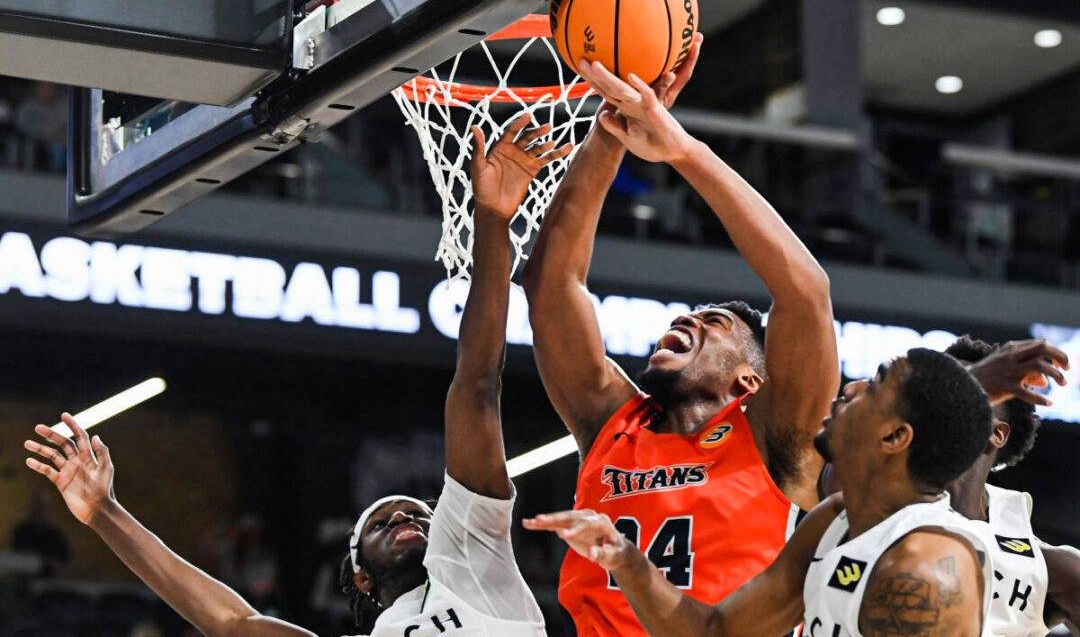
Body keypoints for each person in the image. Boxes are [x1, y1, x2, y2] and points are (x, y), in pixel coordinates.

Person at [23, 115, 572, 637]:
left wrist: (493, 221)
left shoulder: (474, 558)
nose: (407, 518)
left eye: (418, 515)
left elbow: (477, 385)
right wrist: (103, 512)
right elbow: (231, 622)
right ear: (360, 575)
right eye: (384, 524)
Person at [521, 39, 839, 633]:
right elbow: (551, 287)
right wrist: (610, 131)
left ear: (752, 377)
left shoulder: (776, 434)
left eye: (713, 324)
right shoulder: (613, 425)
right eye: (688, 316)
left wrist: (683, 151)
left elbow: (806, 292)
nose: (684, 320)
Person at [527, 348, 1000, 637]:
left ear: (895, 438)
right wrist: (625, 559)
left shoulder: (925, 572)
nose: (851, 388)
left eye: (874, 385)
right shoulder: (836, 520)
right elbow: (716, 632)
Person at [942, 336, 1078, 635]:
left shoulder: (1049, 567)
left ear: (996, 433)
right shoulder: (872, 497)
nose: (934, 398)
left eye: (966, 388)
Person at [10, 487, 72, 577]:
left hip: (50, 583)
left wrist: (56, 567)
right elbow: (15, 560)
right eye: (36, 506)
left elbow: (68, 563)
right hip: (25, 581)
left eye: (42, 507)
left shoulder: (56, 535)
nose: (39, 511)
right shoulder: (20, 532)